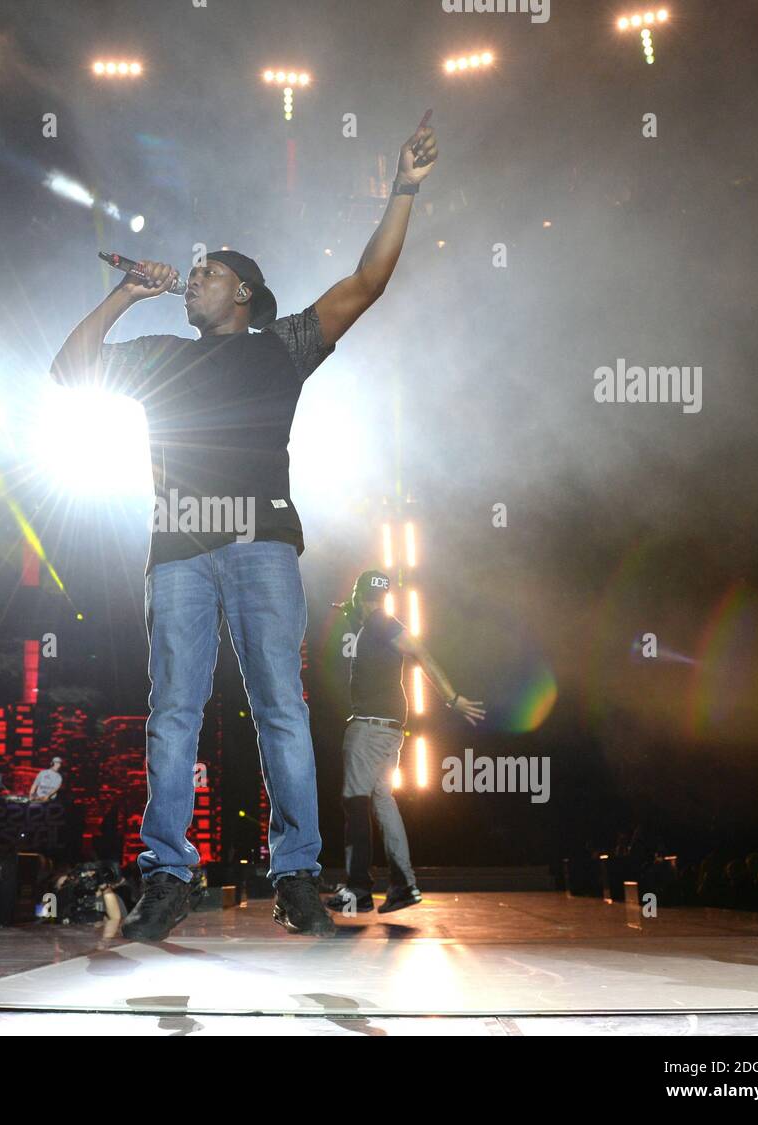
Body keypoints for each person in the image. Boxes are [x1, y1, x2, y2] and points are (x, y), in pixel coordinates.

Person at [50, 121, 440, 940]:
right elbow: (69, 367)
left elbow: (367, 280)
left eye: (209, 273)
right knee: (172, 713)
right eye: (192, 272)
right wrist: (127, 295)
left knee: (281, 710)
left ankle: (297, 874)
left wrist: (401, 189)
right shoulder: (161, 353)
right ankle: (167, 876)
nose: (193, 279)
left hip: (262, 545)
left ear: (245, 295)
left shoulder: (280, 346)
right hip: (178, 554)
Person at [327, 571, 484, 915]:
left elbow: (421, 653)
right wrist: (349, 611)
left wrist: (451, 697)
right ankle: (404, 886)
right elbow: (365, 614)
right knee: (384, 800)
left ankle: (358, 890)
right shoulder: (374, 624)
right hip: (390, 729)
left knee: (355, 803)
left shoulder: (382, 624)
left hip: (369, 727)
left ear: (358, 594)